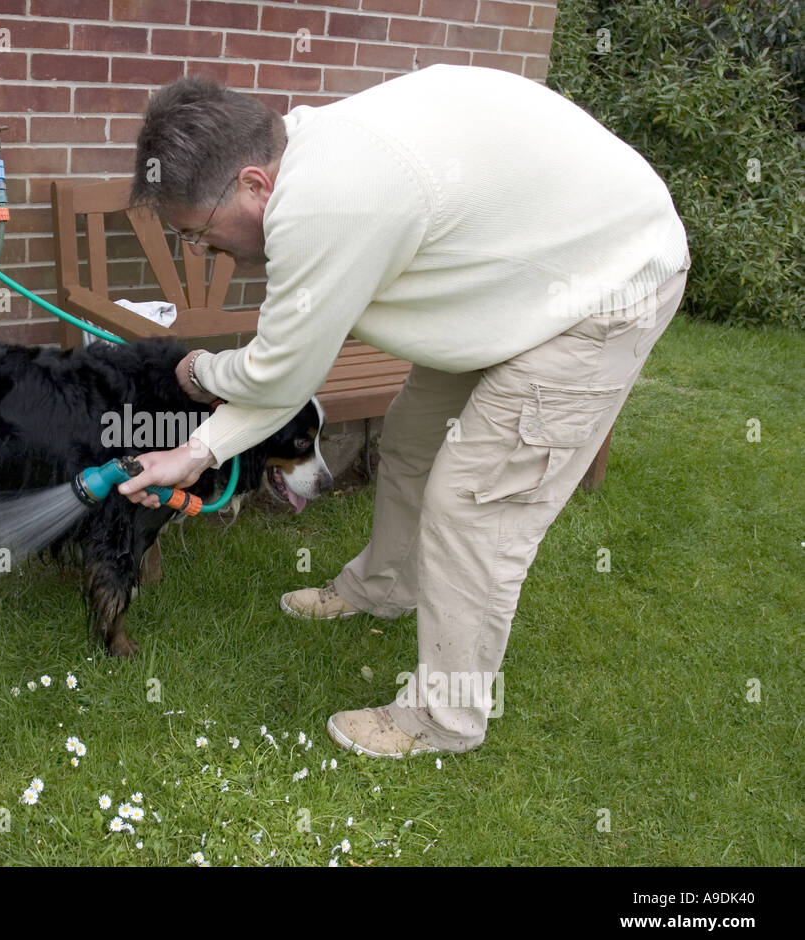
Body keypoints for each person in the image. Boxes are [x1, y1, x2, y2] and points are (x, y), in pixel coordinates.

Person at [116, 65, 690, 758]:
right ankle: (383, 586)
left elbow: (281, 371)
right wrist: (200, 447)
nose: (206, 252)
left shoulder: (326, 202)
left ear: (253, 183)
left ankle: (444, 720)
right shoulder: (313, 160)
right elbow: (291, 355)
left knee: (476, 502)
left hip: (608, 285)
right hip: (526, 279)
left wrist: (198, 382)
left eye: (200, 233)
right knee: (415, 438)